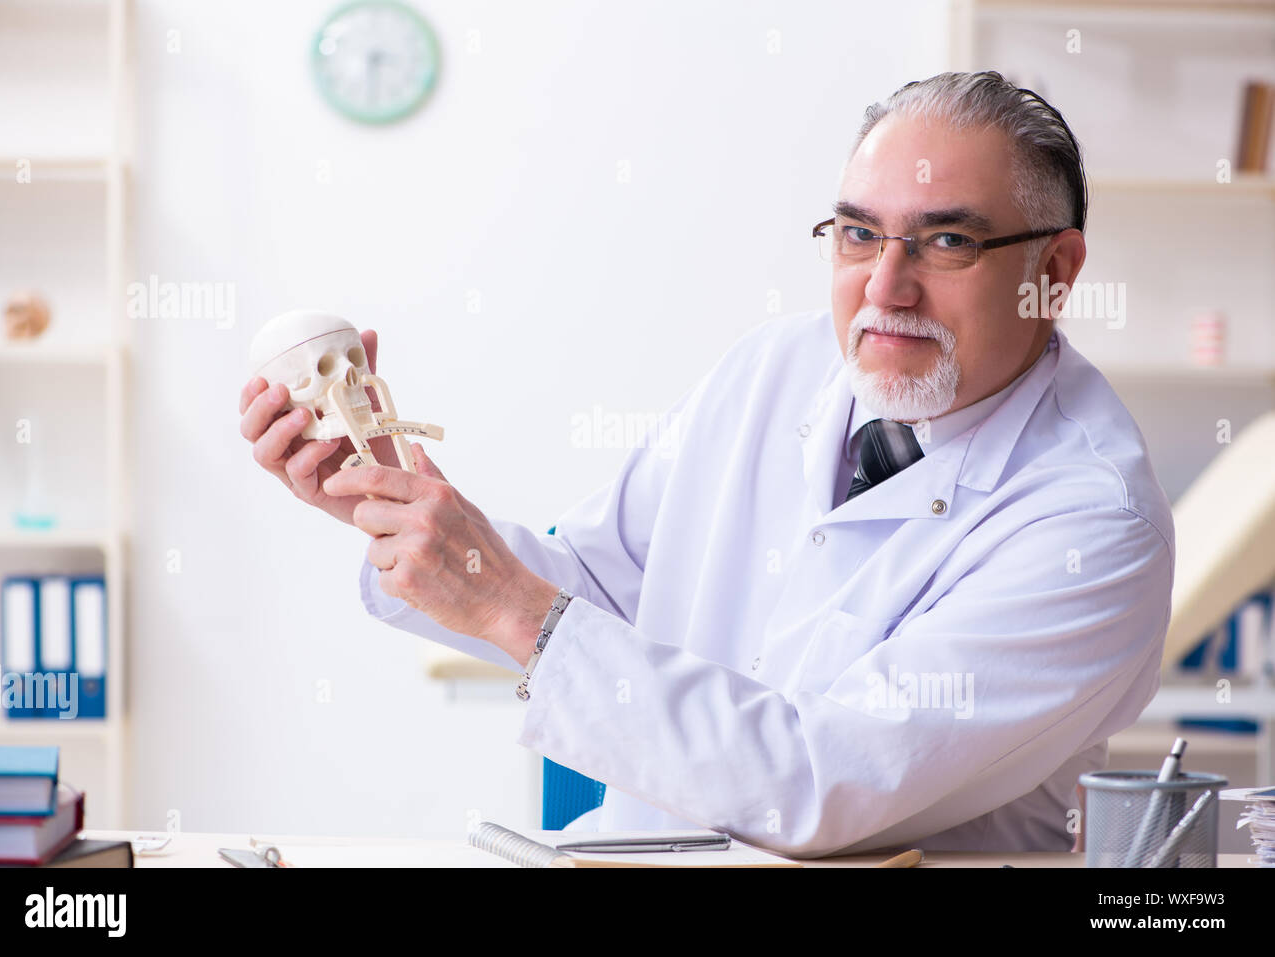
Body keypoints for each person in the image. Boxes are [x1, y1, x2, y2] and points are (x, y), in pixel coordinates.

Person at [239, 71, 1174, 857]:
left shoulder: (1091, 520)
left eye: (946, 240)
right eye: (857, 233)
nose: (886, 286)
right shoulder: (778, 367)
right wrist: (400, 505)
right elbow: (603, 585)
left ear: (1056, 268)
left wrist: (500, 598)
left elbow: (820, 781)